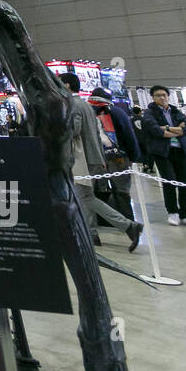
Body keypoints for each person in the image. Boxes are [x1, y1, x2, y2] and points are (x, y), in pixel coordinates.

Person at [61, 73, 143, 251]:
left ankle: (126, 226)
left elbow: (72, 132)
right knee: (86, 196)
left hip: (81, 159)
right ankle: (93, 233)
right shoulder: (84, 105)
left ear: (66, 86)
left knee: (85, 196)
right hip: (91, 158)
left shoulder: (72, 105)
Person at [141, 85, 186, 227]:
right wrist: (178, 129)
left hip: (180, 151)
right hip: (163, 152)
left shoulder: (175, 111)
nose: (162, 97)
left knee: (185, 183)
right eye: (158, 95)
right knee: (169, 182)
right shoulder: (149, 113)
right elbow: (155, 130)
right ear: (153, 98)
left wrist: (167, 128)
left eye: (164, 95)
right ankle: (172, 212)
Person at [90, 87, 141, 222]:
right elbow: (128, 135)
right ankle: (126, 221)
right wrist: (134, 156)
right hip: (118, 158)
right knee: (122, 190)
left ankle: (101, 220)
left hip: (94, 158)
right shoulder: (118, 112)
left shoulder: (86, 111)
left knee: (97, 189)